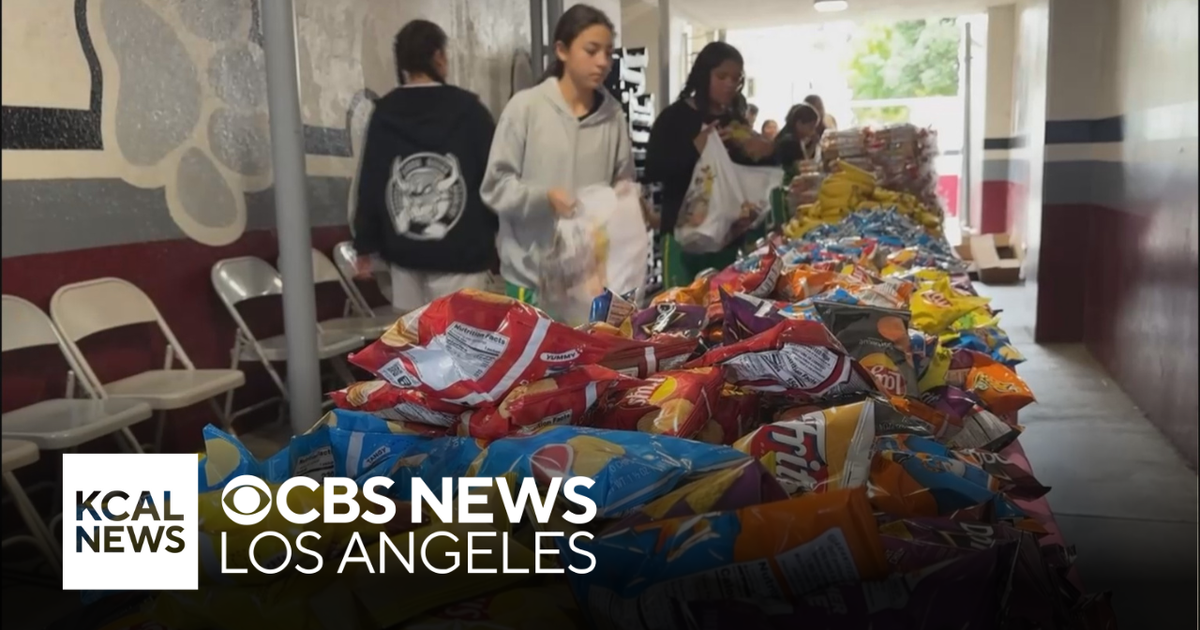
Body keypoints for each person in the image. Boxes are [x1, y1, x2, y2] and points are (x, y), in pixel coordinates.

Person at [480, 4, 633, 306]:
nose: (602, 62)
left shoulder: (613, 116)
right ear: (562, 51)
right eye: (591, 50)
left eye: (608, 52)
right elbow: (495, 187)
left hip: (590, 284)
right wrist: (544, 198)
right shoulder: (526, 108)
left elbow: (623, 182)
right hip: (529, 282)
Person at [352, 20, 499, 312]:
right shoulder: (470, 111)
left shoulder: (386, 112)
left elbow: (371, 180)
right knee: (460, 346)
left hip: (405, 253)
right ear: (438, 57)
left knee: (413, 346)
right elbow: (494, 178)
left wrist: (364, 245)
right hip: (462, 252)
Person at [644, 41, 775, 289]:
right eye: (721, 76)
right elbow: (655, 168)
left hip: (730, 238)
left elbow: (747, 178)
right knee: (683, 310)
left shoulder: (735, 122)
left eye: (736, 78)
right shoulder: (674, 118)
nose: (729, 84)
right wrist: (696, 146)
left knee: (723, 309)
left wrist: (760, 148)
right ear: (704, 74)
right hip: (684, 237)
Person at [775, 102, 822, 181]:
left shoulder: (791, 136)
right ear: (799, 124)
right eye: (811, 127)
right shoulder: (790, 142)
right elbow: (801, 168)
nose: (813, 132)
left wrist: (813, 144)